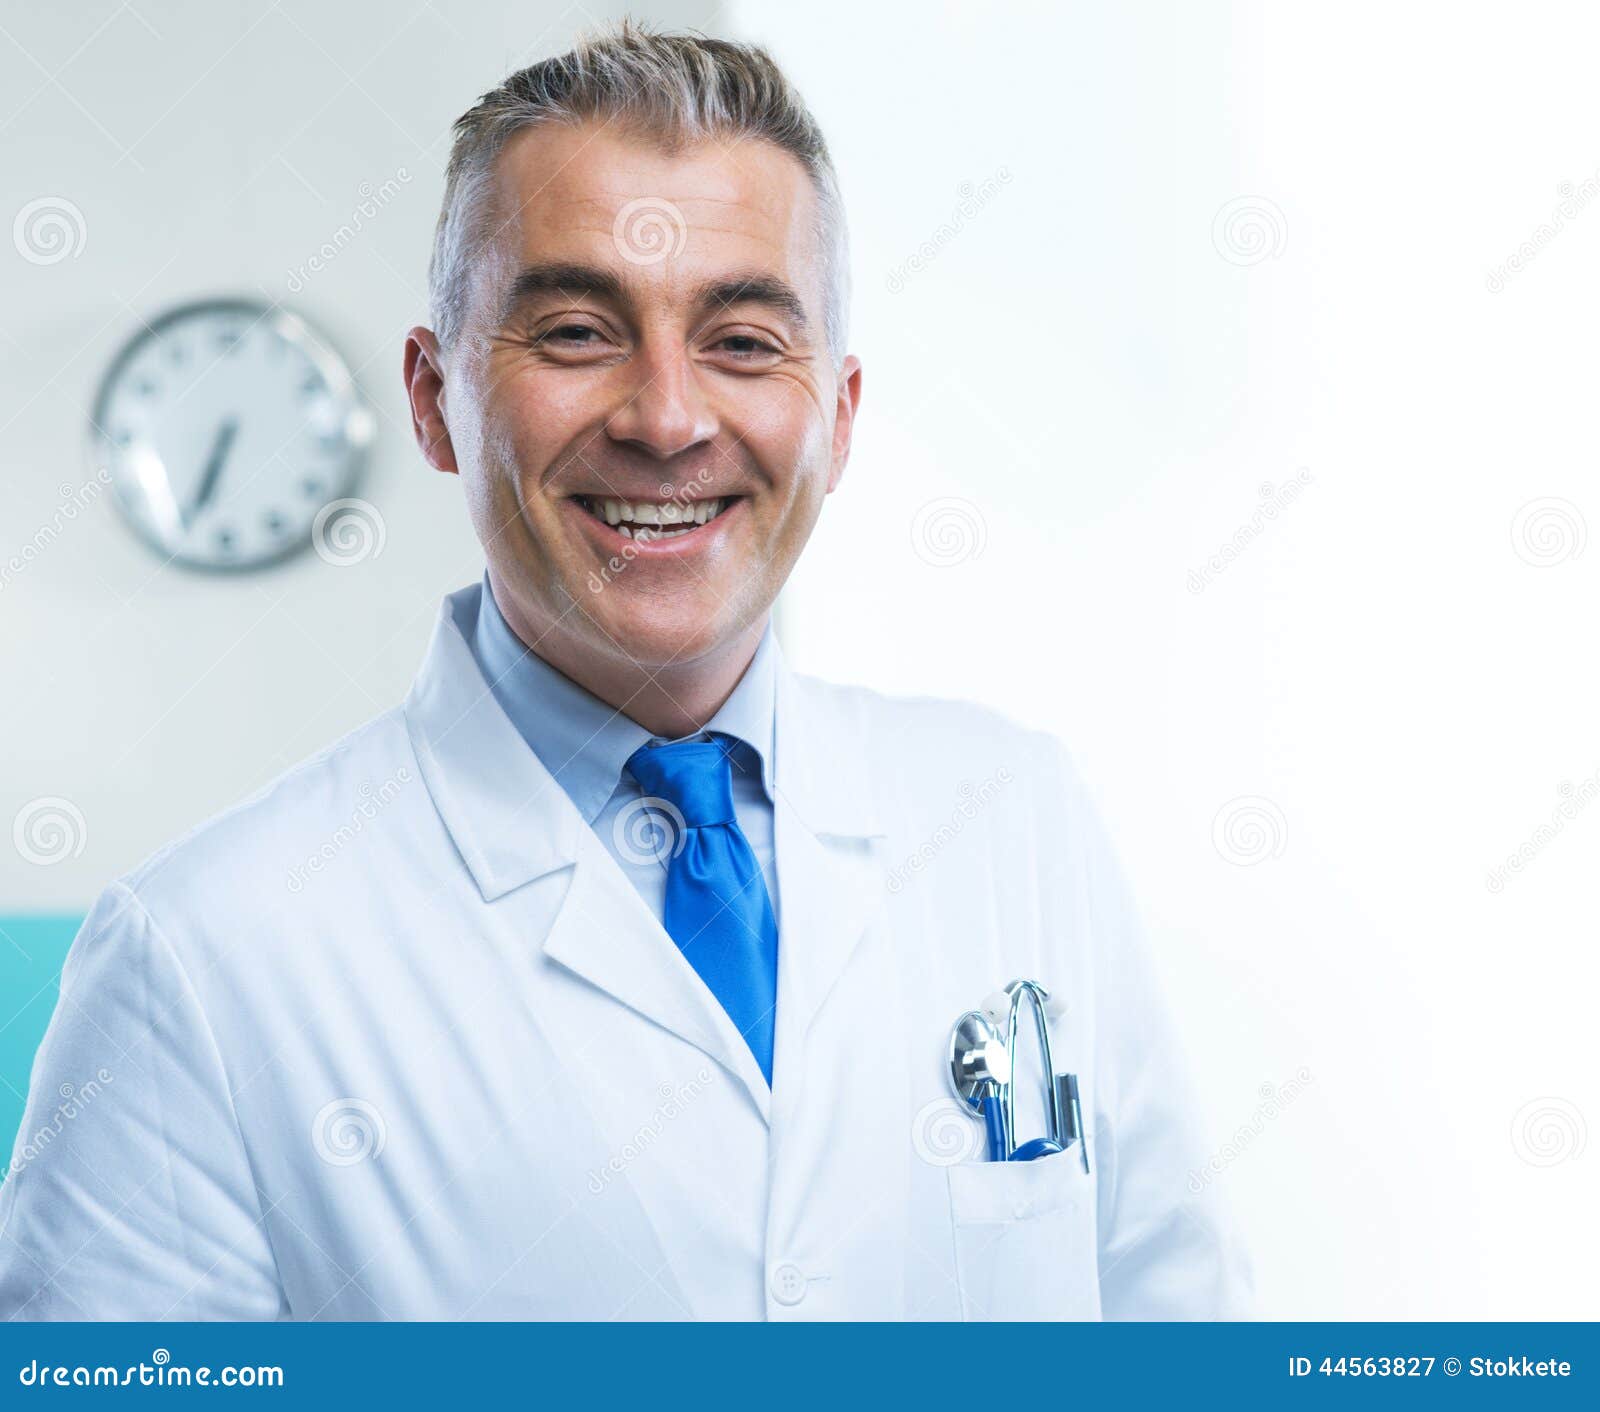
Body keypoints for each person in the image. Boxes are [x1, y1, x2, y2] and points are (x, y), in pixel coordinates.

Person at [0, 21, 1250, 1320]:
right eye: (578, 332)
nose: (666, 418)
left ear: (838, 417)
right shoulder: (202, 959)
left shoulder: (1011, 814)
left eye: (744, 342)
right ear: (433, 398)